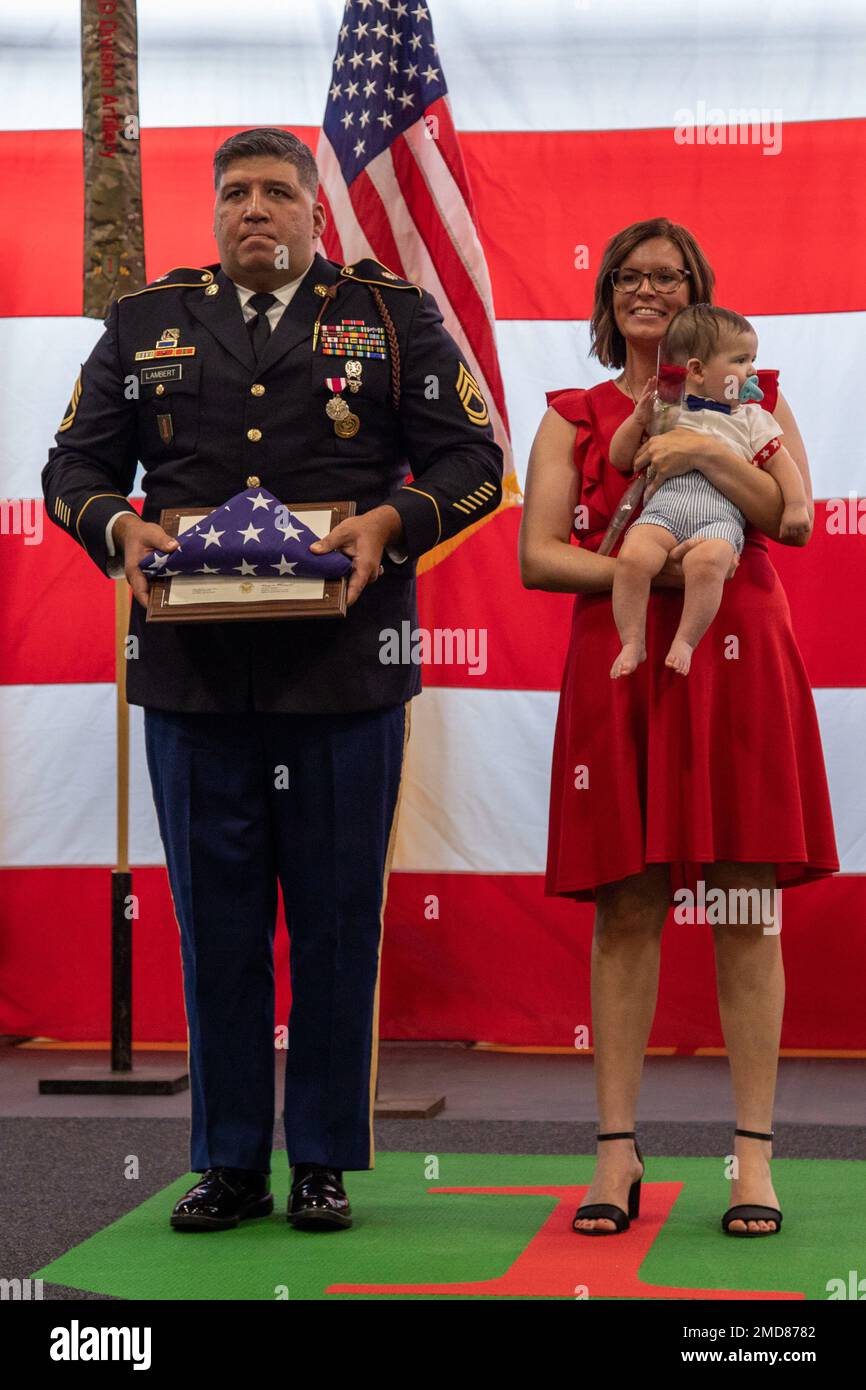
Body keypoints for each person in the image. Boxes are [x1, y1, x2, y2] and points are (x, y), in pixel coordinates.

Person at [42, 127, 503, 1232]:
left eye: (277, 194)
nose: (256, 210)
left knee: (338, 925)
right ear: (215, 211)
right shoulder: (147, 321)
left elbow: (474, 465)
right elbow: (73, 469)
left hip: (345, 675)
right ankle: (231, 1160)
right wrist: (122, 529)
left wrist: (392, 522)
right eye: (236, 193)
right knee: (217, 925)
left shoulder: (390, 315)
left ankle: (324, 1160)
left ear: (312, 212)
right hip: (195, 682)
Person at [519, 216, 838, 1237]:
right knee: (624, 909)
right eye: (629, 276)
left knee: (746, 908)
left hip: (734, 659)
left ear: (698, 294)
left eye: (668, 276)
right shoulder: (571, 415)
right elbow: (535, 557)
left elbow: (790, 520)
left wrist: (700, 447)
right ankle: (615, 1153)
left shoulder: (760, 400)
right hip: (621, 667)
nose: (646, 289)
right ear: (606, 294)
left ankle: (751, 1160)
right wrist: (641, 571)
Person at [608, 303, 811, 677]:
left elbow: (783, 465)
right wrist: (638, 419)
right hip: (662, 512)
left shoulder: (753, 417)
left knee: (711, 561)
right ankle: (633, 640)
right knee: (633, 557)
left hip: (718, 520)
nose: (752, 370)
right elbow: (621, 458)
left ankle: (686, 639)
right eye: (741, 360)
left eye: (753, 359)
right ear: (698, 371)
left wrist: (797, 506)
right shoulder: (668, 410)